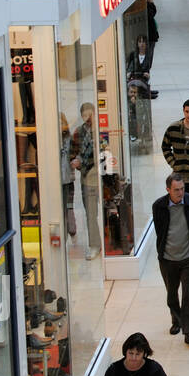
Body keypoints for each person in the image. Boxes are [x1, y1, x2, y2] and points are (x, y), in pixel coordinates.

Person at [152, 175, 189, 346]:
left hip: (188, 258)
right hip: (167, 260)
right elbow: (160, 231)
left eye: (182, 189)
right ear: (168, 190)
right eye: (176, 190)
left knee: (188, 296)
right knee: (171, 296)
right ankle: (176, 320)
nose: (180, 193)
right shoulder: (158, 206)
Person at [68, 102, 102, 261]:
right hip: (88, 180)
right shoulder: (78, 133)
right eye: (85, 115)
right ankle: (94, 245)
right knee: (90, 214)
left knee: (110, 212)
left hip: (103, 178)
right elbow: (72, 155)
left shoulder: (102, 129)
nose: (88, 118)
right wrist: (77, 162)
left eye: (90, 114)